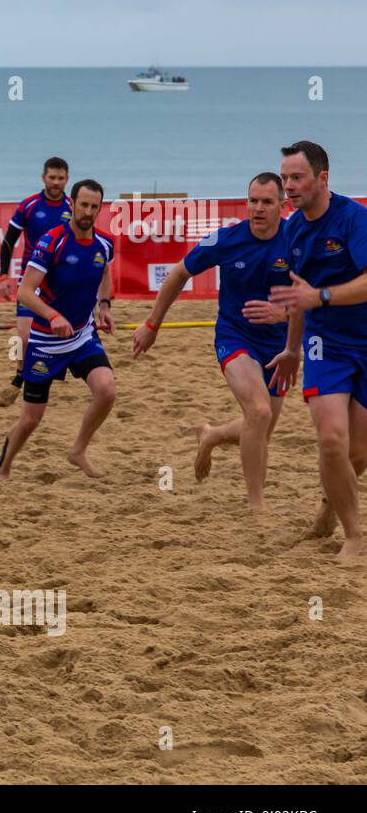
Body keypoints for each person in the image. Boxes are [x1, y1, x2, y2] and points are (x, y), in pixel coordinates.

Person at [131, 173, 298, 509]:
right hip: (235, 336)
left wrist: (285, 316)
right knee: (259, 412)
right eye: (253, 200)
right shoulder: (225, 239)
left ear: (283, 205)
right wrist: (152, 323)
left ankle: (211, 435)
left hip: (281, 345)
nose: (258, 208)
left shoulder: (296, 241)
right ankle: (257, 506)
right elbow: (179, 273)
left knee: (260, 428)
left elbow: (312, 296)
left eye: (267, 202)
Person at [268, 141, 367, 559]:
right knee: (331, 440)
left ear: (322, 178)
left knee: (357, 453)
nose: (288, 186)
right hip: (324, 344)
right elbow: (298, 297)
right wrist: (292, 349)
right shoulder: (291, 230)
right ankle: (354, 537)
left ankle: (328, 508)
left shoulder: (354, 219)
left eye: (296, 177)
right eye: (285, 178)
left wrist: (320, 297)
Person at [0, 179, 116, 480]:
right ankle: (5, 466)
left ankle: (78, 451)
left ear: (100, 208)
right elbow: (24, 292)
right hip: (46, 342)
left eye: (94, 206)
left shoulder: (105, 243)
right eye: (83, 205)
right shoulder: (53, 241)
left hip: (83, 336)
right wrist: (52, 316)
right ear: (71, 205)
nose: (88, 211)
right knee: (31, 419)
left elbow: (105, 272)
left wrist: (105, 305)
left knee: (107, 390)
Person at [0, 157, 72, 404]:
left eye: (60, 178)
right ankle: (17, 375)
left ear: (66, 179)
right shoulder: (28, 205)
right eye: (52, 177)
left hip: (60, 283)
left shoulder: (72, 206)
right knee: (22, 336)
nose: (56, 182)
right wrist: (4, 276)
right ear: (43, 178)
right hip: (30, 282)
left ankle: (46, 375)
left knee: (56, 333)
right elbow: (8, 242)